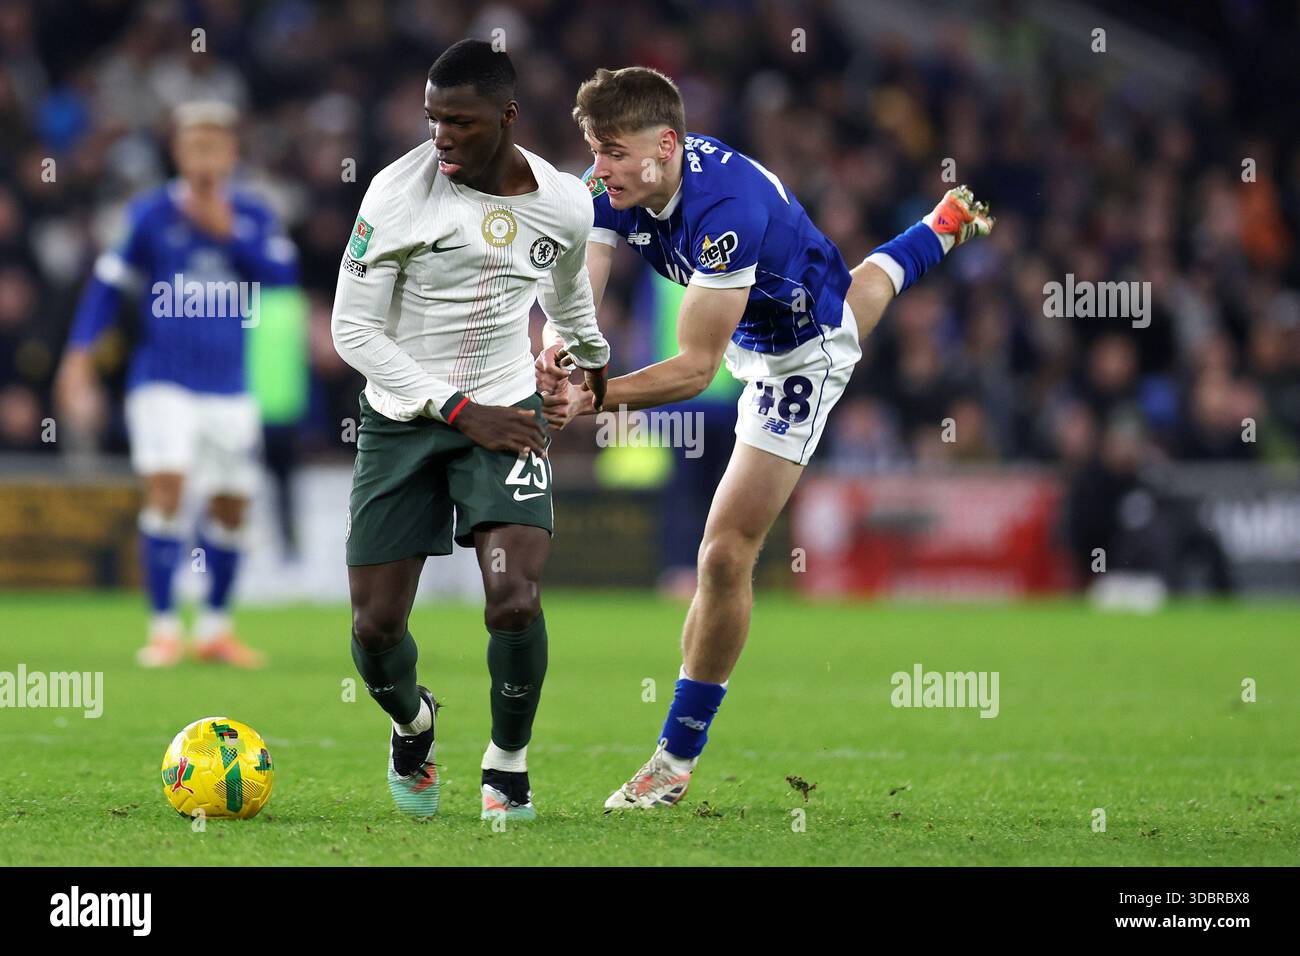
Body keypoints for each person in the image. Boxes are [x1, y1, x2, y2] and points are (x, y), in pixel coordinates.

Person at [538, 67, 993, 809]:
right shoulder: (619, 188)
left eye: (614, 152)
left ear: (666, 145)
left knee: (723, 553)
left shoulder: (722, 212)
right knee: (862, 295)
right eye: (595, 150)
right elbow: (584, 277)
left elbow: (693, 369)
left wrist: (594, 397)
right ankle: (941, 226)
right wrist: (563, 349)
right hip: (771, 307)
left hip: (798, 353)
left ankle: (673, 764)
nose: (599, 168)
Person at [331, 40, 609, 821]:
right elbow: (352, 332)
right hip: (402, 418)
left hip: (508, 410)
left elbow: (567, 298)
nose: (441, 137)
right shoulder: (394, 194)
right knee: (376, 625)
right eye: (432, 120)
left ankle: (507, 764)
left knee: (513, 599)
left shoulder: (563, 201)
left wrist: (589, 363)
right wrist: (455, 410)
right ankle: (413, 723)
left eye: (460, 121)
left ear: (507, 117)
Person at [55, 100, 297, 669]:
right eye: (194, 147)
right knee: (167, 490)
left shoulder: (256, 215)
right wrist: (79, 357)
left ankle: (214, 628)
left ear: (232, 153)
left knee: (231, 504)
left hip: (231, 385)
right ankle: (163, 629)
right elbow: (106, 289)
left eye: (215, 146)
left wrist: (228, 234)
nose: (205, 158)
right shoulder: (149, 215)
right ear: (178, 152)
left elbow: (282, 278)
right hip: (161, 380)